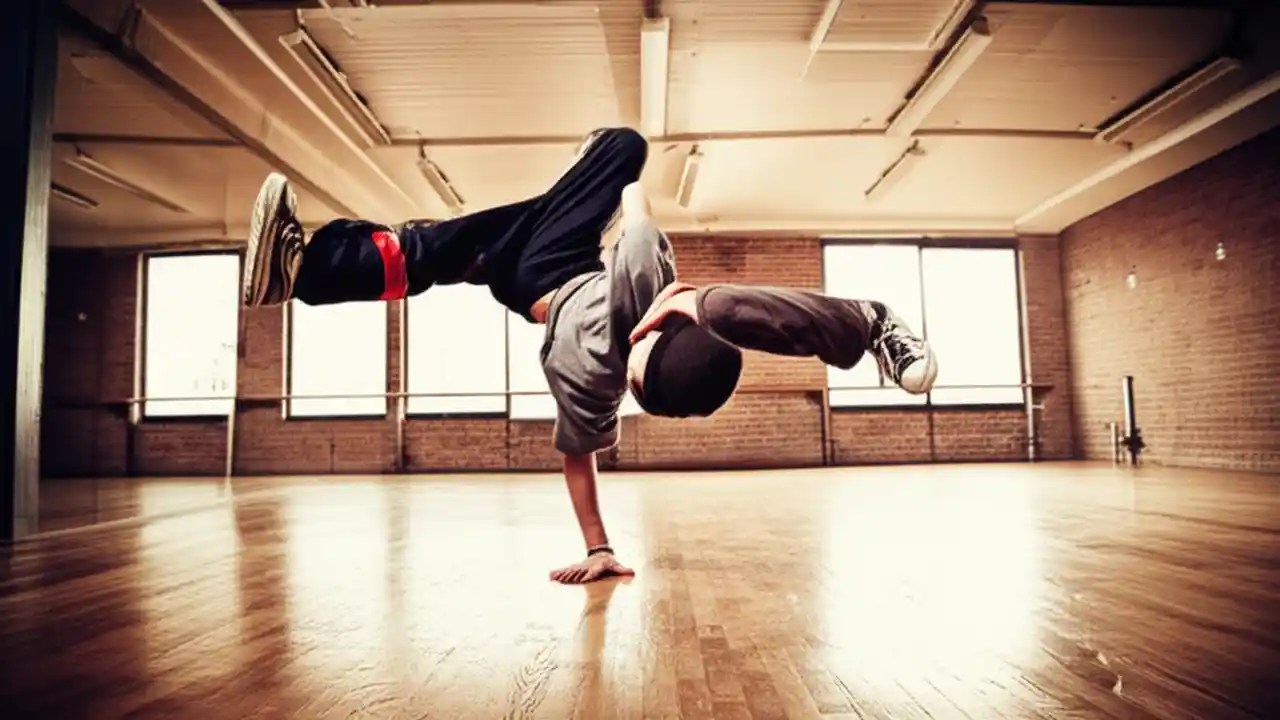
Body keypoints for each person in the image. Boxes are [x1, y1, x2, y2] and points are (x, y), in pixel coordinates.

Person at [242, 127, 938, 585]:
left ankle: (866, 321)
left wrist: (598, 548)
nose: (640, 331)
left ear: (636, 384)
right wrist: (676, 295)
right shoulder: (636, 332)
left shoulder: (596, 380)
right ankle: (302, 274)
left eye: (640, 346)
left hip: (544, 268)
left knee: (628, 160)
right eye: (654, 329)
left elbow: (580, 460)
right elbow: (635, 214)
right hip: (548, 256)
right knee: (436, 246)